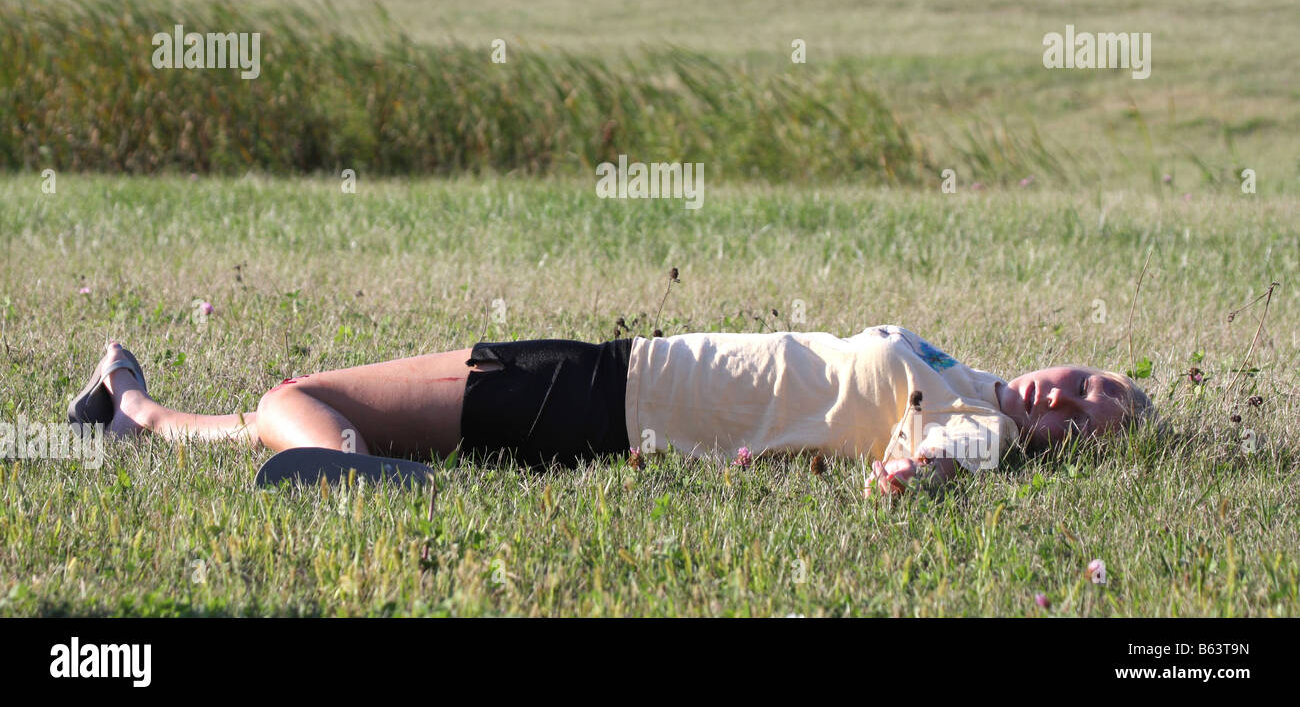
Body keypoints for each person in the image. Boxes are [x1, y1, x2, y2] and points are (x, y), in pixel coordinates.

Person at [71, 325, 1153, 495]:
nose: (1078, 389)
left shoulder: (987, 424)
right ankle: (139, 412)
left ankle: (346, 467)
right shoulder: (964, 373)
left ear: (1070, 439)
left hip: (610, 391)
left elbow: (953, 452)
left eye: (1097, 411)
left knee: (293, 397)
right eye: (1094, 375)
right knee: (304, 408)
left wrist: (937, 469)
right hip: (609, 383)